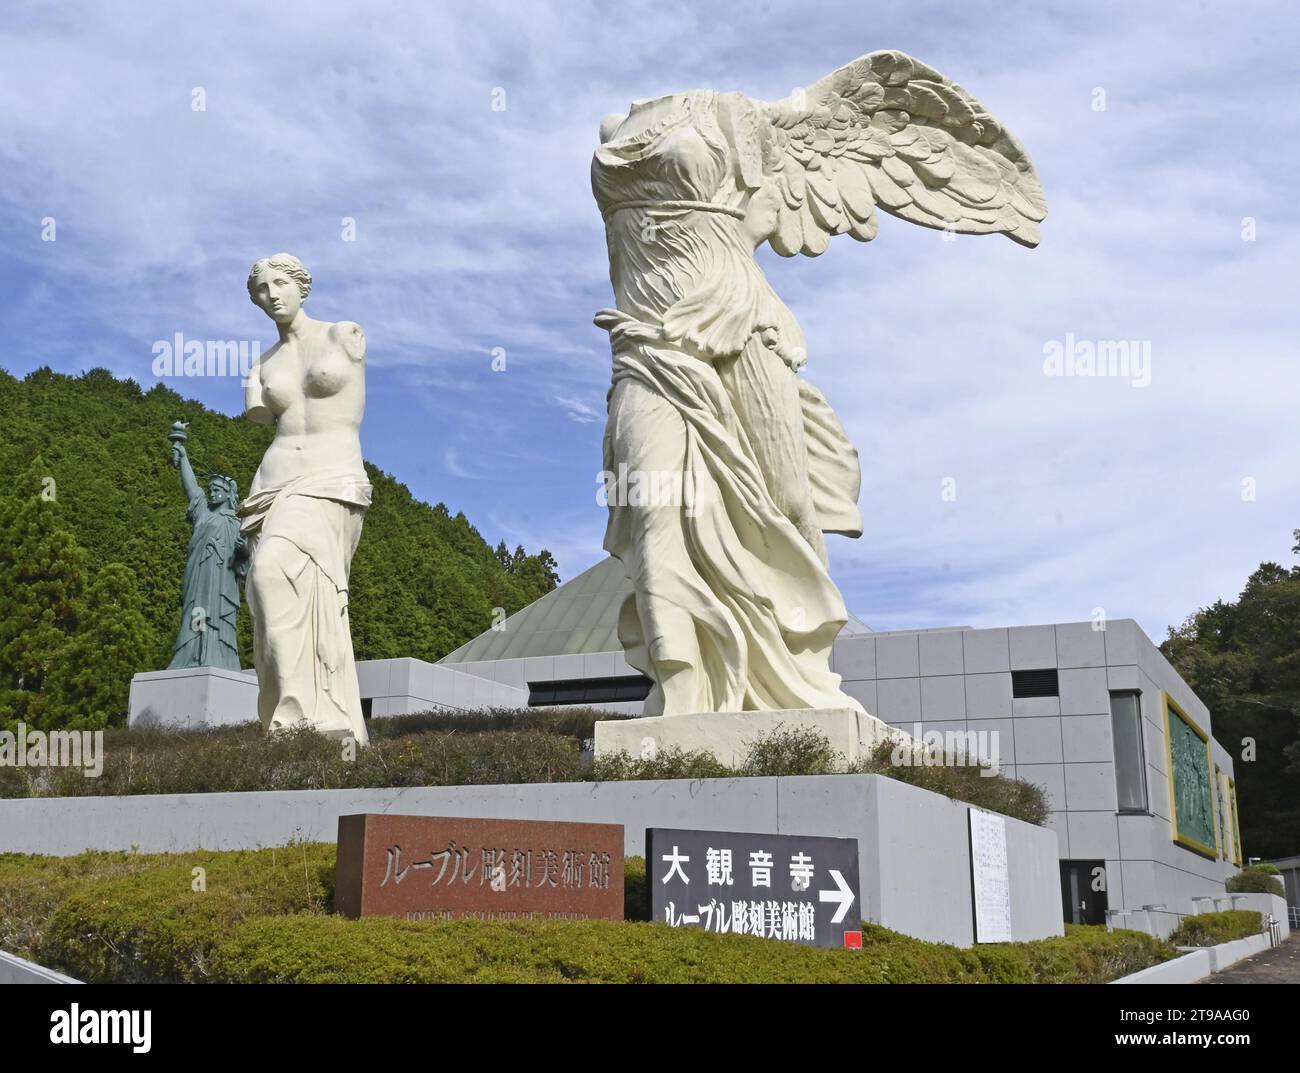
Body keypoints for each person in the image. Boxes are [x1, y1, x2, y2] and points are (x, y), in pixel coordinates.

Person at [239, 253, 371, 744]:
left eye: (279, 283)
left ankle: (299, 716)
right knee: (267, 588)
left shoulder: (344, 335)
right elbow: (261, 416)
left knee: (274, 573)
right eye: (260, 290)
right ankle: (300, 718)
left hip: (332, 477)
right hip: (273, 484)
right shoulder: (260, 365)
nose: (271, 295)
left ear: (301, 286)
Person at [167, 431, 247, 671]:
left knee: (219, 620)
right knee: (196, 616)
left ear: (229, 494)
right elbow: (191, 487)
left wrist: (245, 552)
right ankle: (192, 654)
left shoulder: (236, 523)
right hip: (199, 579)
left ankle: (220, 657)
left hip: (222, 584)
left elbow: (245, 563)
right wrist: (183, 455)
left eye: (217, 489)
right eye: (210, 489)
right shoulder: (203, 511)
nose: (212, 492)